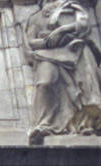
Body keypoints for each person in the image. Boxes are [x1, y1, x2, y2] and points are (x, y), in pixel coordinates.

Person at [24, 0, 101, 144]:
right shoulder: (35, 17)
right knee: (44, 83)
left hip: (74, 51)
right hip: (47, 54)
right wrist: (48, 42)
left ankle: (84, 123)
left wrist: (61, 31)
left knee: (86, 84)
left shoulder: (73, 7)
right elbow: (31, 43)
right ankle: (45, 124)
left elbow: (83, 26)